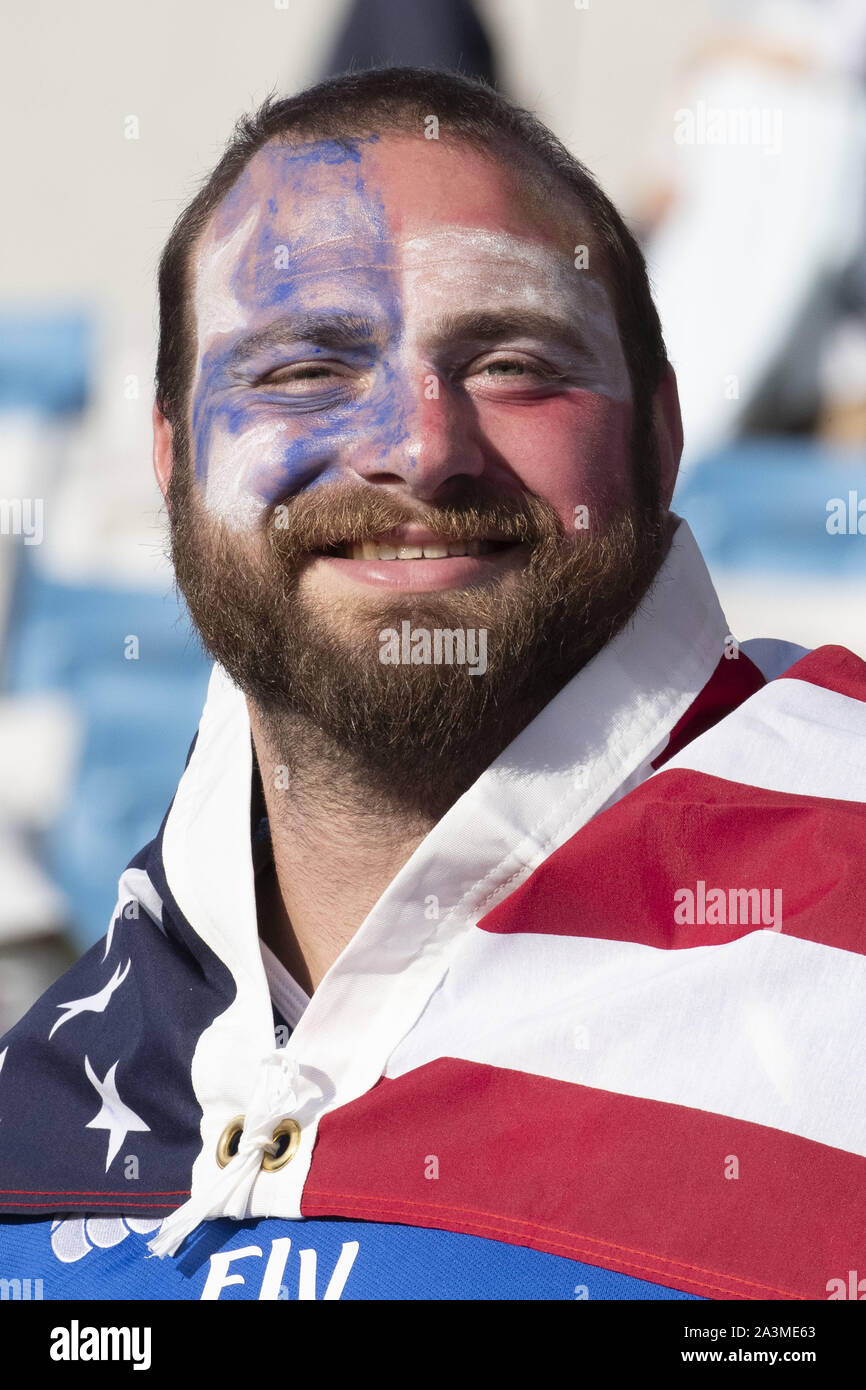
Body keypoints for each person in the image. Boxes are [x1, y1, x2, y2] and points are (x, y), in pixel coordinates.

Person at [0, 67, 863, 1302]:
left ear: (659, 437)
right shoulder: (43, 1104)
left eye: (511, 362)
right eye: (301, 372)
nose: (415, 447)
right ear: (169, 457)